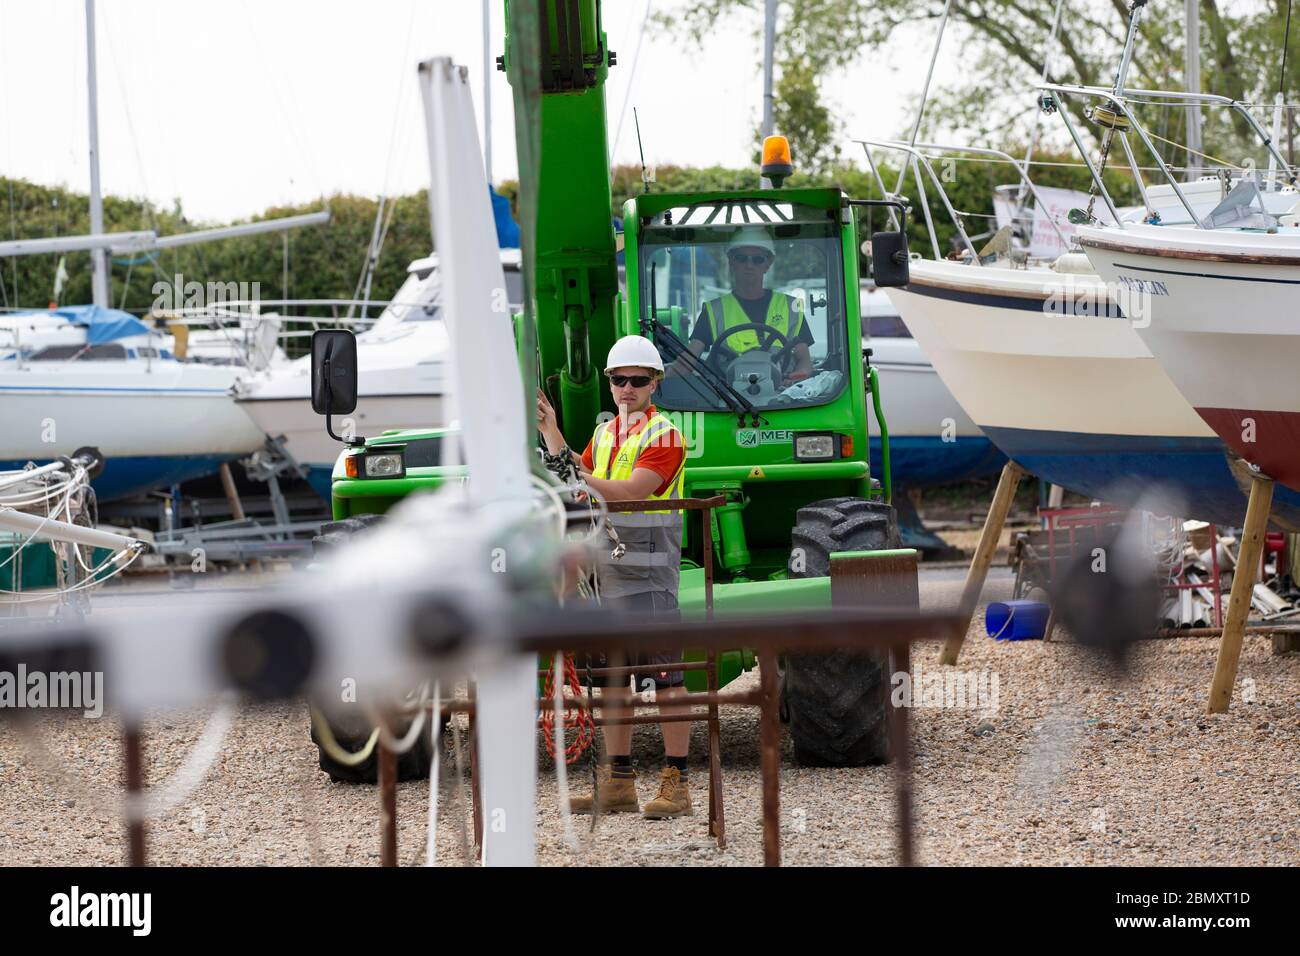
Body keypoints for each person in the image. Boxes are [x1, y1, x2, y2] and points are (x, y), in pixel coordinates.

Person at [535, 334, 693, 819]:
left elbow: (631, 492)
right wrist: (553, 436)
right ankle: (619, 781)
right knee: (611, 679)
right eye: (619, 379)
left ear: (655, 383)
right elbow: (582, 474)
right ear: (609, 383)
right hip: (608, 575)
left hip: (649, 575)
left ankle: (677, 783)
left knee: (667, 679)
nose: (627, 388)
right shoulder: (605, 434)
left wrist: (574, 475)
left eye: (637, 380)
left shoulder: (665, 435)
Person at [668, 225, 815, 384]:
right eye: (741, 258)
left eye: (757, 259)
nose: (749, 265)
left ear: (768, 264)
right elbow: (686, 362)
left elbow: (804, 361)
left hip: (781, 397)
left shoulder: (790, 306)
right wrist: (656, 385)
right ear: (731, 261)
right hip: (729, 400)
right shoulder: (714, 310)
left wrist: (799, 375)